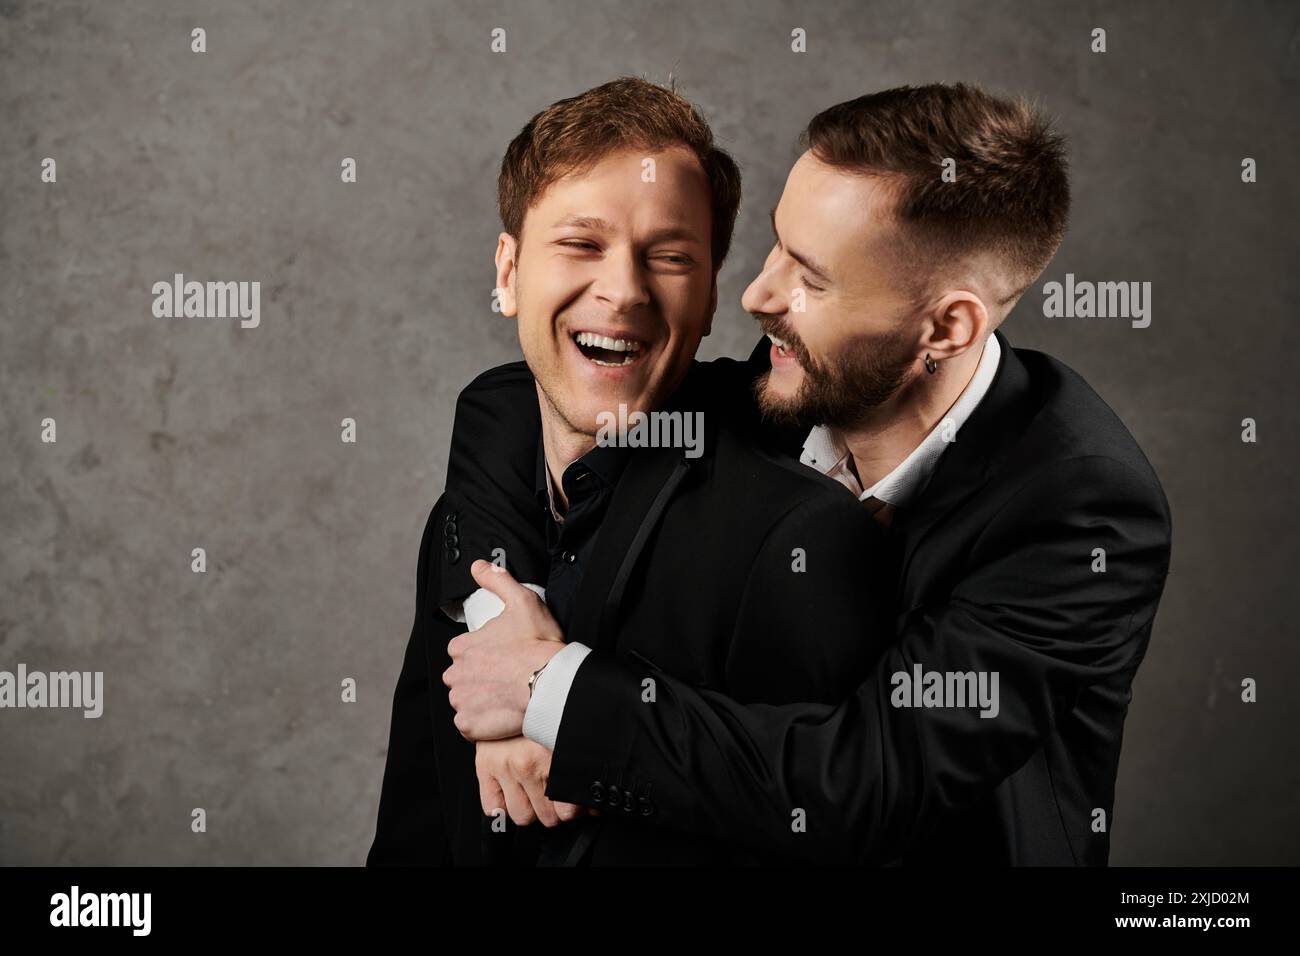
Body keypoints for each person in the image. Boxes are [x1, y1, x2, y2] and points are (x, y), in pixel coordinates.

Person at [441, 83, 1173, 865]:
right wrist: (502, 627)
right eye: (777, 245)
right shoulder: (786, 388)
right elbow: (518, 403)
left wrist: (546, 693)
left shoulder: (1083, 512)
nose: (758, 294)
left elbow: (857, 779)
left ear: (947, 326)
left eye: (811, 280)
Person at [368, 77, 893, 866]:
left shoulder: (798, 538)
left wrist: (546, 702)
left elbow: (822, 815)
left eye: (670, 256)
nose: (622, 291)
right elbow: (418, 826)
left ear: (713, 294)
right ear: (507, 273)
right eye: (581, 244)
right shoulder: (468, 518)